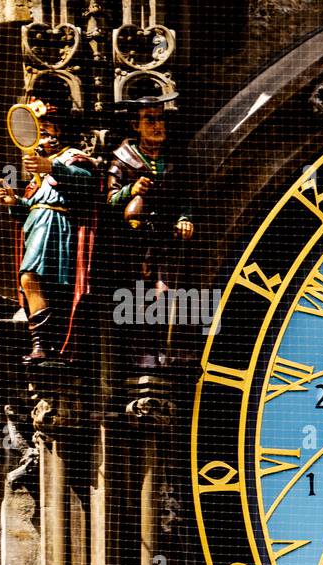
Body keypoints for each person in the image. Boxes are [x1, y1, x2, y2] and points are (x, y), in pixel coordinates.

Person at [0, 102, 97, 363]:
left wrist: (50, 167)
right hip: (38, 223)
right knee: (37, 284)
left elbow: (86, 181)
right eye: (40, 128)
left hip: (56, 224)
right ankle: (44, 345)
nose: (43, 132)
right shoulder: (38, 170)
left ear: (61, 128)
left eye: (47, 126)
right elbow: (33, 205)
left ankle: (45, 343)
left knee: (32, 278)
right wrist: (14, 202)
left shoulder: (73, 157)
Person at [106, 94, 194, 367]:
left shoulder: (173, 161)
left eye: (161, 119)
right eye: (150, 120)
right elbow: (109, 199)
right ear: (135, 125)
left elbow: (185, 197)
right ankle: (143, 352)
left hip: (166, 237)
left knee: (168, 292)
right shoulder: (122, 160)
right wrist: (130, 190)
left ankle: (168, 349)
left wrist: (184, 217)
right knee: (139, 295)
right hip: (135, 240)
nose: (158, 126)